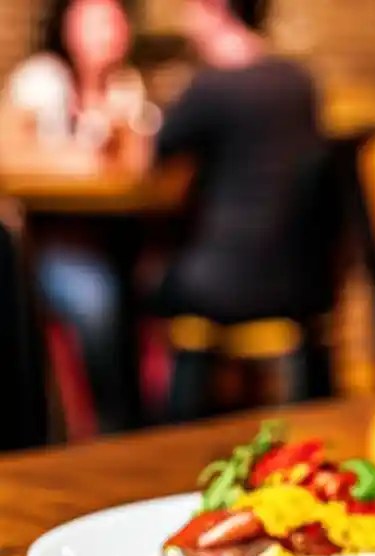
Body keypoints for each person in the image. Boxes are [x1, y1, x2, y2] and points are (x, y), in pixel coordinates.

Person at [155, 0, 327, 418]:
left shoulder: (211, 87)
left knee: (148, 284)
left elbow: (156, 152)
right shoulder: (297, 81)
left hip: (220, 284)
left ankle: (158, 430)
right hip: (296, 280)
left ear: (213, 9)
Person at [0, 0, 149, 434]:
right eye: (98, 19)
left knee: (154, 289)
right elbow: (8, 155)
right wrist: (82, 160)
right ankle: (107, 426)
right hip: (46, 244)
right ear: (68, 27)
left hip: (113, 237)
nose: (112, 30)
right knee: (96, 298)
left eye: (116, 19)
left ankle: (143, 422)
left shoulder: (125, 87)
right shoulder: (41, 80)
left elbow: (138, 164)